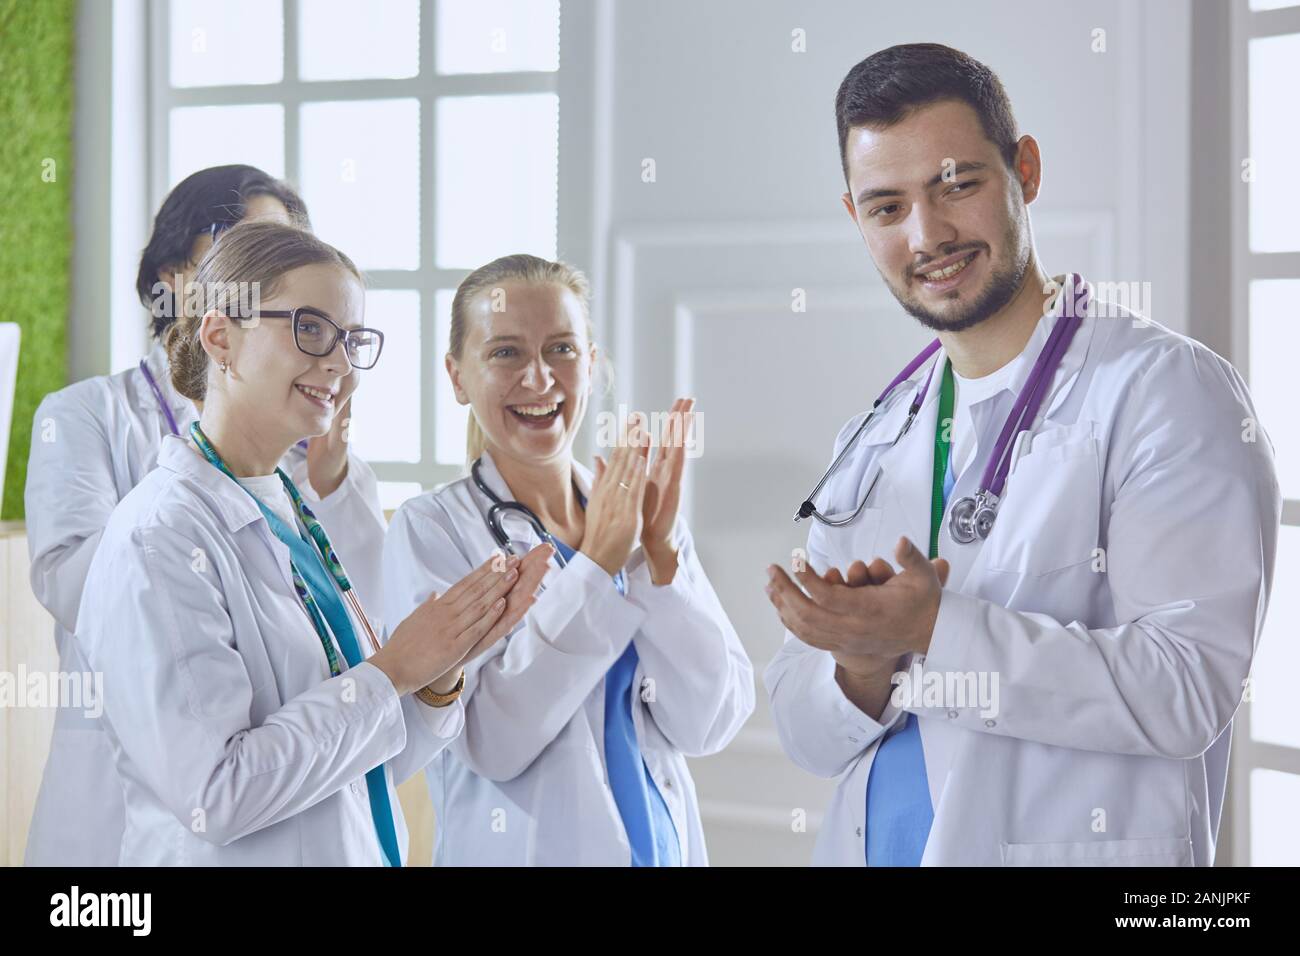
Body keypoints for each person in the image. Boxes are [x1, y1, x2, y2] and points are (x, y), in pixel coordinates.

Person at [763, 43, 1280, 867]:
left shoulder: (1166, 392)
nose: (927, 234)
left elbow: (1187, 690)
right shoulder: (876, 434)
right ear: (856, 217)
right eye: (887, 207)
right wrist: (862, 669)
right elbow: (809, 736)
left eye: (957, 184)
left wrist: (936, 629)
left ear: (1025, 170)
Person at [74, 219, 552, 864]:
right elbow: (214, 796)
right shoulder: (160, 536)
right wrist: (394, 670)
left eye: (352, 340)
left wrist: (442, 671)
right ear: (221, 337)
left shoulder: (286, 508)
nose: (339, 364)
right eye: (310, 329)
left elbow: (362, 763)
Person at [24, 165, 393, 866]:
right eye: (248, 247)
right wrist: (211, 475)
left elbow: (361, 613)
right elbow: (73, 584)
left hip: (289, 796)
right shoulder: (86, 417)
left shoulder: (304, 431)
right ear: (174, 277)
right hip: (122, 787)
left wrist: (327, 483)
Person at [382, 254, 754, 865]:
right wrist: (596, 564)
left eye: (561, 349)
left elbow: (709, 723)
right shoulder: (432, 530)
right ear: (456, 376)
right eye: (505, 352)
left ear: (592, 364)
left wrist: (657, 564)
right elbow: (491, 743)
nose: (538, 379)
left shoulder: (639, 516)